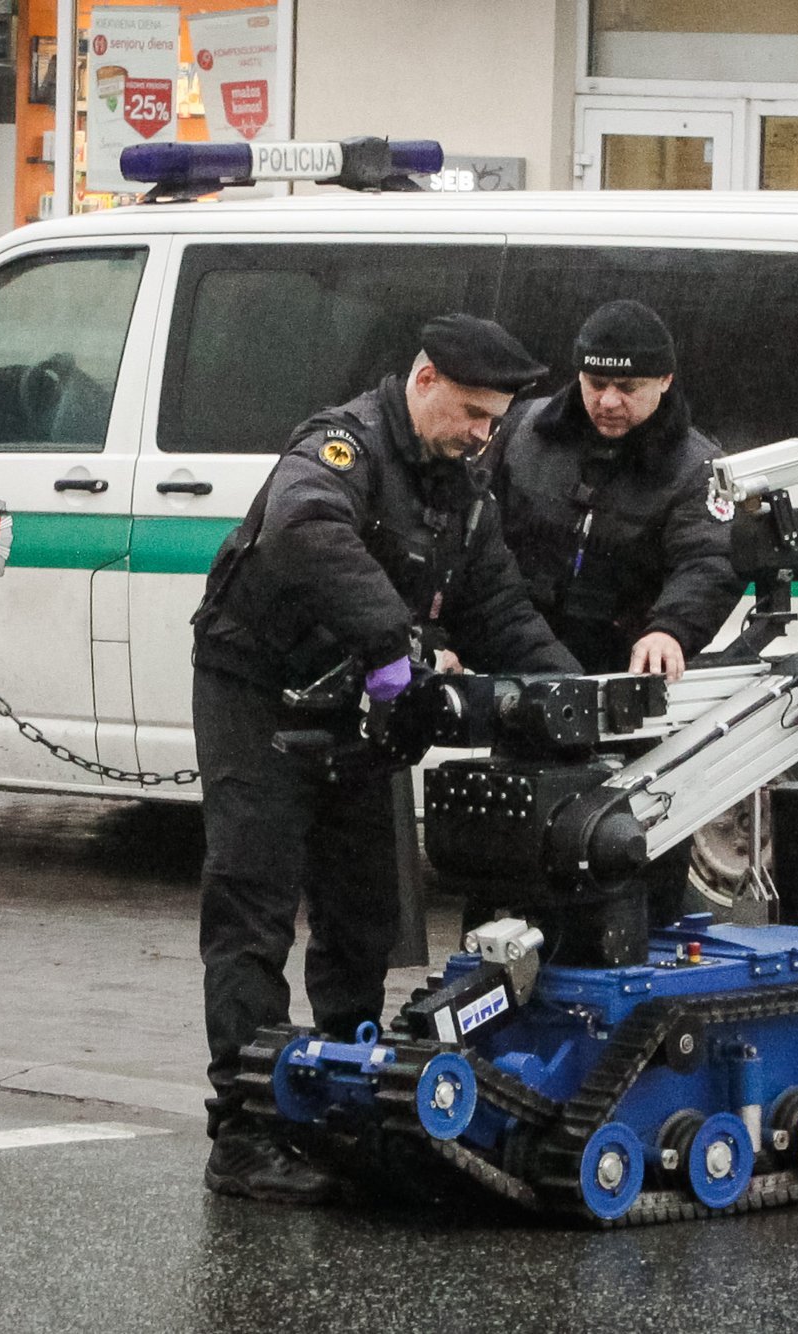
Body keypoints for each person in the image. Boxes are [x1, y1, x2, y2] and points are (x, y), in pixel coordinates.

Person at [190, 315, 581, 1203]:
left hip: (354, 710)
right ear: (426, 379)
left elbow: (500, 611)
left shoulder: (462, 488)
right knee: (253, 909)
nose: (486, 437)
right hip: (258, 694)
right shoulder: (341, 446)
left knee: (363, 916)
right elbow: (303, 532)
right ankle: (244, 1133)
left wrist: (579, 702)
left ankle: (338, 1102)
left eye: (497, 422)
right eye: (475, 414)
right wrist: (395, 644)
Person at [489, 299, 745, 681]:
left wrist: (670, 630)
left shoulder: (697, 469)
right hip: (520, 662)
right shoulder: (522, 431)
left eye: (627, 388)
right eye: (595, 383)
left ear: (665, 380)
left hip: (625, 674)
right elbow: (469, 535)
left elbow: (708, 561)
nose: (608, 401)